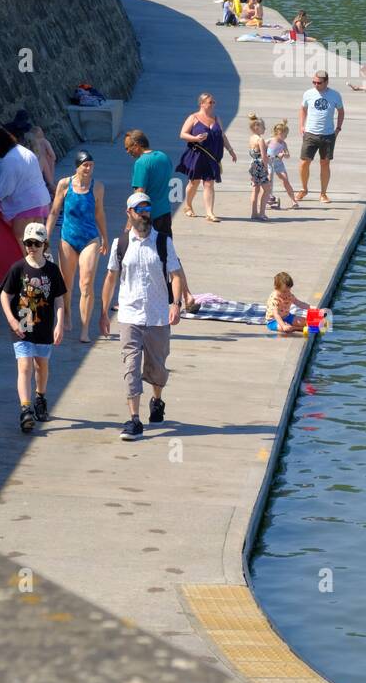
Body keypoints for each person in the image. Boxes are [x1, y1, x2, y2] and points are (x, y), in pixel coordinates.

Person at [99, 192, 183, 441]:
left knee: (157, 369)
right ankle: (134, 420)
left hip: (158, 316)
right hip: (129, 315)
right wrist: (103, 312)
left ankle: (156, 400)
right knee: (131, 367)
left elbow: (176, 275)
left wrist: (175, 304)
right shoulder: (120, 244)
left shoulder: (163, 242)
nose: (144, 213)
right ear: (129, 213)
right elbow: (111, 278)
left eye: (147, 209)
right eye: (139, 210)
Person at [0, 221, 66, 433]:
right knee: (25, 366)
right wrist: (11, 319)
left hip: (44, 329)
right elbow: (5, 294)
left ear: (44, 245)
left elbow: (59, 300)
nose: (32, 247)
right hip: (21, 328)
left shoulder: (52, 271)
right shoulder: (18, 268)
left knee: (41, 366)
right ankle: (25, 409)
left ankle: (40, 398)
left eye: (36, 244)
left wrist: (59, 324)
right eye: (28, 243)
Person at [46, 151, 108, 344]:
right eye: (85, 165)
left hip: (90, 238)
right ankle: (67, 315)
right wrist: (45, 236)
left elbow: (99, 213)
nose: (89, 169)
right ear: (77, 166)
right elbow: (55, 211)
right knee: (66, 284)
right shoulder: (65, 184)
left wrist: (105, 237)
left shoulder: (97, 187)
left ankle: (85, 328)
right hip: (68, 238)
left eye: (91, 165)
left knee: (86, 283)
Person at [0, 127, 52, 254]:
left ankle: (31, 272)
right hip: (41, 202)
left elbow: (4, 190)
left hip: (25, 205)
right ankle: (46, 271)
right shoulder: (26, 152)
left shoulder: (9, 160)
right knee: (39, 244)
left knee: (24, 246)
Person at [177, 93, 237, 222]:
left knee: (209, 183)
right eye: (210, 102)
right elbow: (182, 134)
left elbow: (222, 135)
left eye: (213, 102)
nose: (213, 104)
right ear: (202, 104)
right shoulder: (193, 117)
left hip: (212, 156)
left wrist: (230, 150)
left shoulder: (216, 118)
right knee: (194, 182)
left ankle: (209, 213)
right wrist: (195, 138)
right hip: (197, 154)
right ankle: (188, 205)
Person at [296, 70, 344, 204]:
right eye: (314, 82)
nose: (316, 85)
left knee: (325, 163)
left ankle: (323, 193)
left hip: (328, 134)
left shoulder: (335, 95)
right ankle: (303, 189)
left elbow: (341, 111)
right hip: (310, 133)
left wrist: (338, 128)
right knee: (304, 162)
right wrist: (302, 125)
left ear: (326, 82)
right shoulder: (308, 94)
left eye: (319, 83)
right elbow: (303, 109)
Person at [267, 119, 299, 210]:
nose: (286, 137)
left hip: (279, 164)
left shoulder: (283, 144)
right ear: (278, 132)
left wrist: (284, 154)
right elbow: (261, 149)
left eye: (286, 135)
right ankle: (268, 196)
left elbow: (288, 155)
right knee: (269, 179)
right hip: (269, 163)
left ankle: (293, 200)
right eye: (284, 135)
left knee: (285, 180)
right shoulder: (269, 141)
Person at [247, 113, 272, 221]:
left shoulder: (252, 138)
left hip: (253, 165)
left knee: (255, 189)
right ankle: (262, 213)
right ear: (256, 127)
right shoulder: (260, 140)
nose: (265, 129)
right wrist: (267, 168)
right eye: (263, 127)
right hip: (260, 166)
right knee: (267, 189)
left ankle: (254, 213)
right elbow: (264, 156)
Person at [25, 124, 57, 193]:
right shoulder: (44, 141)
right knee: (50, 160)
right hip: (44, 166)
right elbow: (53, 155)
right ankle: (51, 188)